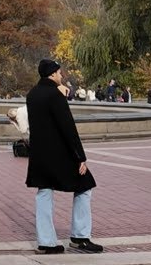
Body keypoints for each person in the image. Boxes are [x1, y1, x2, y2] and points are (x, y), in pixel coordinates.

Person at [26, 59, 102, 255]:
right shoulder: (55, 95)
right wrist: (80, 157)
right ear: (52, 74)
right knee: (85, 185)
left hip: (40, 155)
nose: (62, 76)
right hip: (60, 154)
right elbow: (68, 127)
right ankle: (80, 236)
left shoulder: (32, 95)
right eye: (59, 73)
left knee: (44, 192)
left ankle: (46, 241)